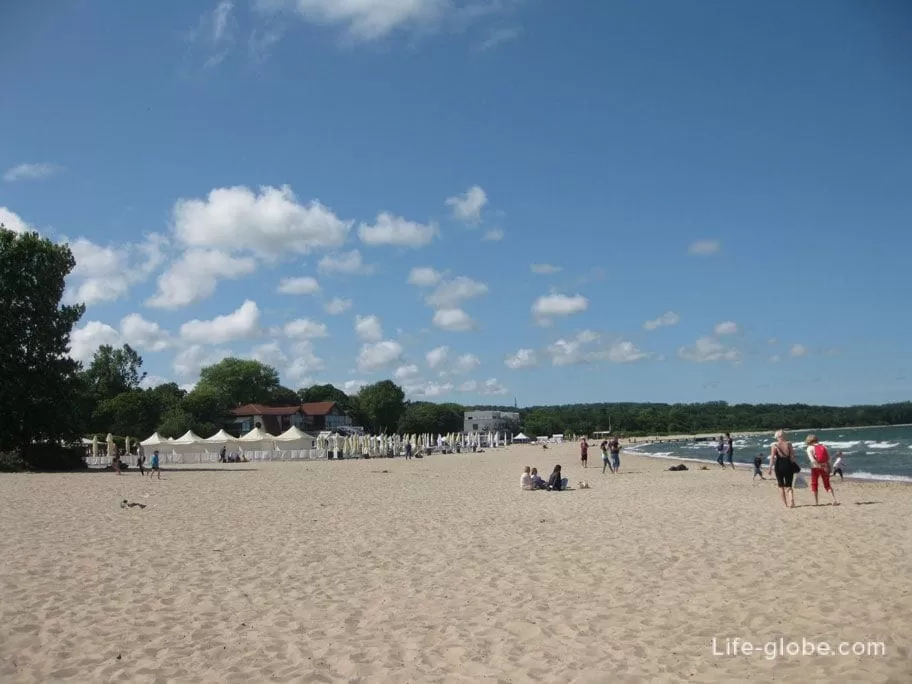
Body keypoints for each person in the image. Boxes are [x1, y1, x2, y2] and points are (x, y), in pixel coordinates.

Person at [805, 435, 839, 506]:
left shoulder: (809, 448)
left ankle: (816, 502)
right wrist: (830, 468)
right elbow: (829, 459)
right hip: (825, 467)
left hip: (815, 468)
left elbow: (812, 460)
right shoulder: (824, 447)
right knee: (827, 484)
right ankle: (834, 499)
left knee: (814, 483)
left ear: (808, 441)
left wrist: (818, 465)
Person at [770, 430, 796, 508]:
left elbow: (772, 457)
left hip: (779, 466)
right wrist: (795, 465)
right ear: (784, 436)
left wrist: (770, 468)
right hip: (788, 465)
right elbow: (792, 456)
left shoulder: (774, 445)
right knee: (789, 485)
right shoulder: (789, 444)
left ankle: (786, 504)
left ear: (776, 436)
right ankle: (792, 500)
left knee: (781, 486)